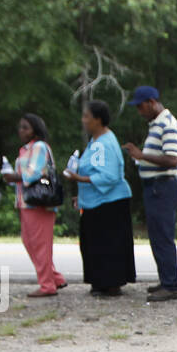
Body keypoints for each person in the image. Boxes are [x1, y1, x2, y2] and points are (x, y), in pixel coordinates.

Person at [66, 100, 135, 297]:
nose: (83, 120)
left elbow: (108, 175)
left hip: (109, 203)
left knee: (108, 244)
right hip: (95, 201)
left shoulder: (103, 144)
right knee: (92, 243)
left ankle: (111, 283)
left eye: (87, 116)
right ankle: (99, 281)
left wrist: (78, 178)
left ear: (98, 120)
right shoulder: (96, 141)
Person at [123, 86, 177, 303]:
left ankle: (171, 285)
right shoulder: (156, 125)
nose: (139, 111)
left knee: (163, 237)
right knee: (157, 237)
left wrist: (142, 155)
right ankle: (166, 280)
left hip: (163, 186)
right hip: (156, 186)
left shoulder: (167, 124)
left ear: (151, 102)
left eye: (140, 106)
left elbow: (172, 159)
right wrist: (139, 157)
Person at [1, 113, 67, 298]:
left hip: (38, 202)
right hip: (26, 202)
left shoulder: (39, 147)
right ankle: (55, 278)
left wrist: (11, 177)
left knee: (40, 244)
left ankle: (47, 285)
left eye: (25, 127)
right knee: (29, 241)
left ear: (36, 130)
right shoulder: (25, 149)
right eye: (20, 127)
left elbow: (32, 174)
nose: (21, 130)